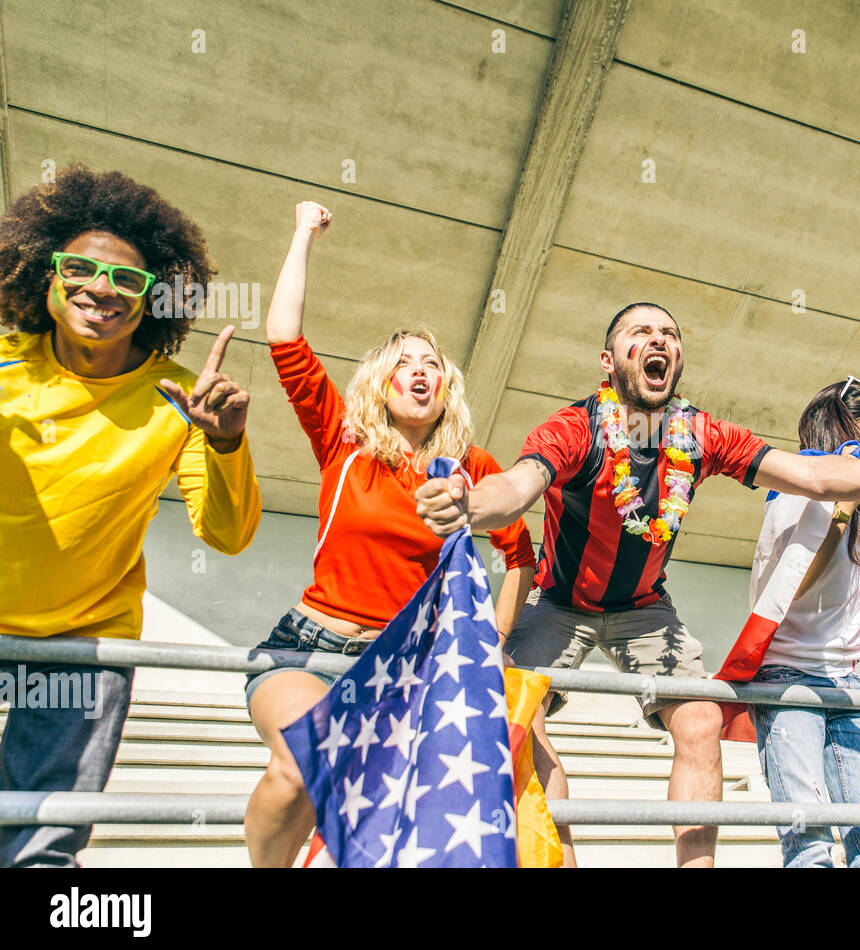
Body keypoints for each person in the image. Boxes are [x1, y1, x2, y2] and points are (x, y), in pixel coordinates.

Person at [416, 301, 860, 867]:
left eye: (670, 333)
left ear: (678, 359)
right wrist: (470, 504)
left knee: (702, 718)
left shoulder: (699, 433)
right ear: (608, 361)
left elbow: (811, 474)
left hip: (644, 608)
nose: (659, 339)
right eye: (642, 331)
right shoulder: (574, 426)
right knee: (517, 710)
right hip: (559, 600)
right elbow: (516, 488)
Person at [242, 202, 536, 867]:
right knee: (298, 767)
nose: (421, 369)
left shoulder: (470, 467)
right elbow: (285, 338)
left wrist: (494, 641)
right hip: (308, 647)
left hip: (410, 665)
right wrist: (302, 233)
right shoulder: (342, 441)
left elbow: (520, 556)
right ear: (383, 379)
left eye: (432, 362)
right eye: (406, 361)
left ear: (447, 386)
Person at [0, 164, 261, 867]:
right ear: (45, 274)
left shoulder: (181, 398)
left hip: (85, 636)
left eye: (129, 280)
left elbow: (227, 534)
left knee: (38, 847)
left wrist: (224, 439)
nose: (102, 288)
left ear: (153, 300)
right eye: (79, 267)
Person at [740, 379, 860, 868]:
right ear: (847, 423)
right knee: (809, 842)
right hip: (789, 677)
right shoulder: (796, 486)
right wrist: (842, 501)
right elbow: (792, 586)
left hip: (850, 681)